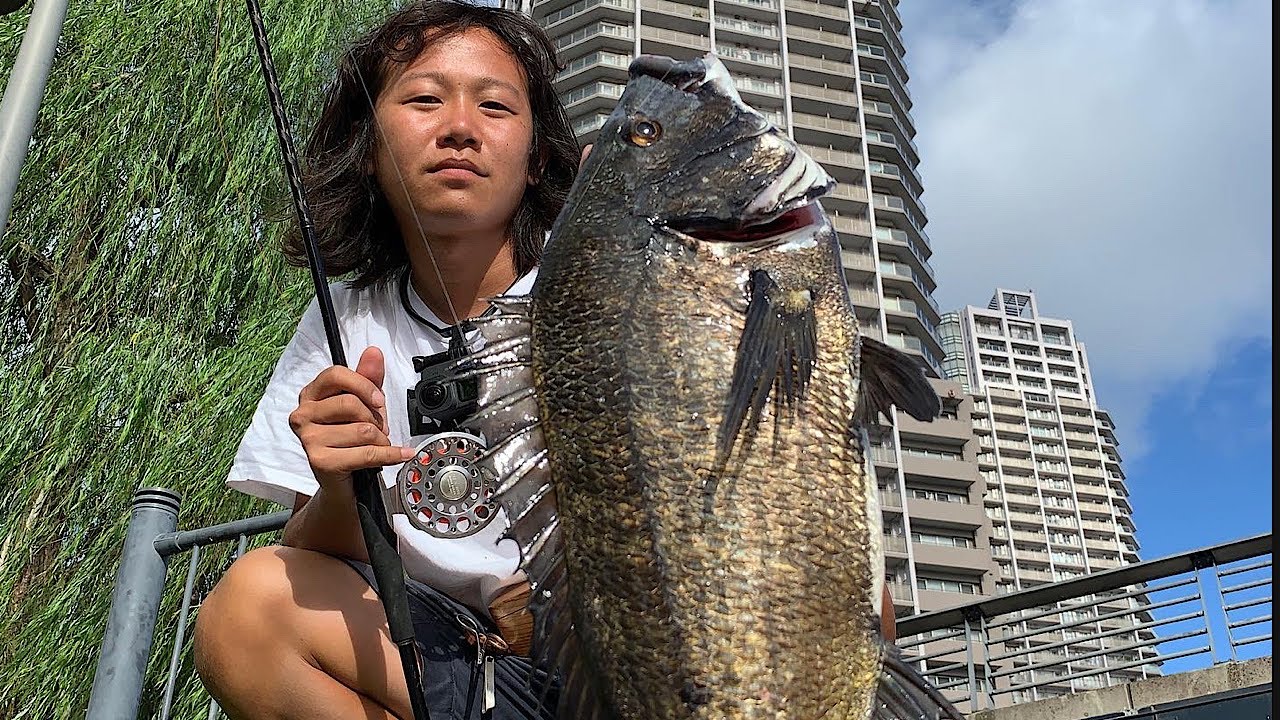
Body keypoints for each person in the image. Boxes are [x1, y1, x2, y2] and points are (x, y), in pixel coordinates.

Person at [193, 3, 580, 718]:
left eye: (495, 105)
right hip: (453, 657)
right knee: (247, 608)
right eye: (425, 99)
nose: (460, 127)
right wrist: (340, 484)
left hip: (628, 652)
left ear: (539, 159)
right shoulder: (344, 317)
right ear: (368, 149)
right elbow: (312, 551)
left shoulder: (602, 286)